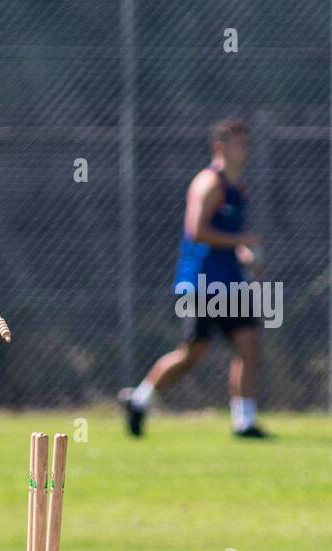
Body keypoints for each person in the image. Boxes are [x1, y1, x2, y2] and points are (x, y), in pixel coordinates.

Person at [120, 118, 267, 439]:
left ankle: (245, 422)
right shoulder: (209, 183)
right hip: (202, 283)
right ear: (220, 146)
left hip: (230, 282)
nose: (245, 149)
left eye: (247, 143)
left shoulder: (238, 189)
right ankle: (139, 400)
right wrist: (243, 240)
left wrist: (245, 254)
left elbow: (228, 236)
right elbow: (196, 231)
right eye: (239, 143)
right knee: (191, 355)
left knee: (248, 344)